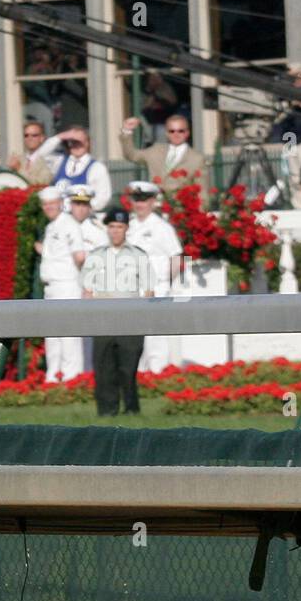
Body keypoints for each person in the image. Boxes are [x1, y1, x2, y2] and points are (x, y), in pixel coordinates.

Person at [82, 207, 153, 416]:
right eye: (112, 227)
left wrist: (142, 315)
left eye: (119, 227)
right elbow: (87, 289)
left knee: (128, 368)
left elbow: (148, 289)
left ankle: (131, 409)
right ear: (107, 229)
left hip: (130, 318)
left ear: (126, 229)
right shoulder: (96, 256)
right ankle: (106, 411)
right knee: (104, 369)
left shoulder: (138, 255)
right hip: (103, 318)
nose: (115, 231)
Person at [124, 180, 182, 373]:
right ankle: (139, 374)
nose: (140, 204)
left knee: (155, 335)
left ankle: (157, 373)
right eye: (136, 199)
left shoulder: (162, 227)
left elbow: (176, 259)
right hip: (133, 289)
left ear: (152, 201)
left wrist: (165, 283)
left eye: (144, 200)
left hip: (157, 287)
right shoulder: (129, 226)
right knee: (134, 334)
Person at [35, 186, 89, 381]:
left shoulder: (69, 224)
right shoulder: (51, 227)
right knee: (52, 335)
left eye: (52, 203)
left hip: (66, 284)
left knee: (68, 335)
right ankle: (53, 375)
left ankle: (72, 377)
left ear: (60, 203)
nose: (49, 207)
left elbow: (80, 256)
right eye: (46, 204)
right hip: (51, 287)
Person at [31, 126, 112, 211]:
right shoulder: (60, 161)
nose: (76, 145)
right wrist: (60, 136)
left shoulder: (97, 167)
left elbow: (103, 197)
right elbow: (40, 155)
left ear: (87, 143)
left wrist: (82, 210)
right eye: (73, 142)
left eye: (79, 142)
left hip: (82, 217)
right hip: (59, 216)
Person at [120, 115, 205, 193]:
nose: (176, 134)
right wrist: (127, 131)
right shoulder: (156, 150)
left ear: (187, 133)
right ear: (166, 133)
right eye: (172, 131)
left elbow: (202, 190)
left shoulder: (197, 158)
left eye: (181, 131)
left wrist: (202, 209)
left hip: (181, 207)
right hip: (156, 204)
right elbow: (132, 155)